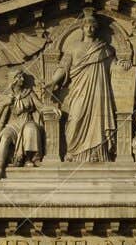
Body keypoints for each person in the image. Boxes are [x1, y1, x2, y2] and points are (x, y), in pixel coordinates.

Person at [48, 10, 116, 164]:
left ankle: (97, 153)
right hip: (78, 89)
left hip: (99, 90)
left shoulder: (103, 48)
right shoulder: (74, 46)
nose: (90, 29)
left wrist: (124, 64)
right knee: (75, 118)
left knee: (98, 119)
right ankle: (73, 152)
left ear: (96, 28)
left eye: (93, 26)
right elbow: (63, 66)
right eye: (87, 26)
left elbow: (114, 67)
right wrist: (53, 81)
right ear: (82, 28)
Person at [0, 70, 43, 179]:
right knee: (4, 137)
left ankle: (28, 158)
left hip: (26, 121)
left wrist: (51, 109)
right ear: (13, 79)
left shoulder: (29, 93)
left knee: (30, 128)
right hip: (11, 125)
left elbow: (40, 106)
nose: (22, 79)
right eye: (19, 77)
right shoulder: (5, 95)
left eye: (22, 77)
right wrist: (5, 103)